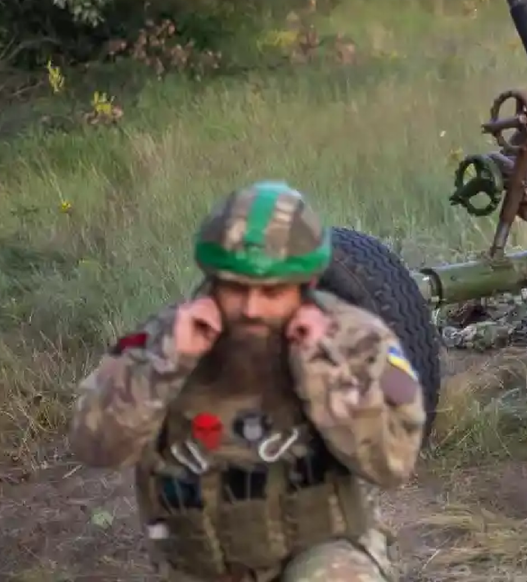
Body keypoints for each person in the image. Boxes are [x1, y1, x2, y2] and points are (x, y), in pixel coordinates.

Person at [68, 181, 426, 582]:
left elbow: (394, 464)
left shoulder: (356, 340)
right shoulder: (159, 341)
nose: (252, 309)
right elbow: (94, 447)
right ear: (213, 281)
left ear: (304, 286)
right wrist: (164, 364)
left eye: (272, 292)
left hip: (323, 554)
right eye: (236, 289)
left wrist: (323, 373)